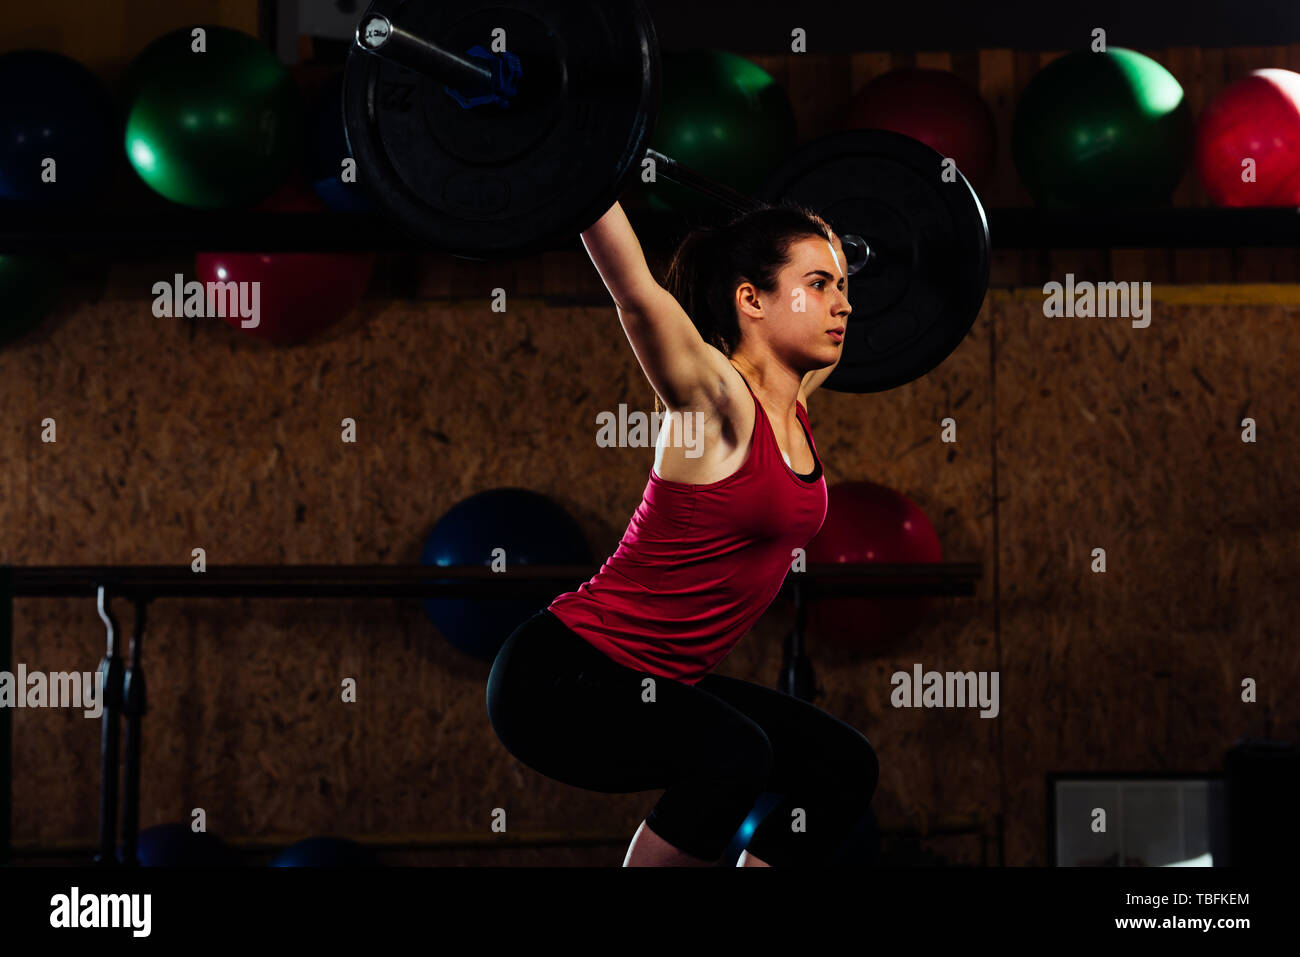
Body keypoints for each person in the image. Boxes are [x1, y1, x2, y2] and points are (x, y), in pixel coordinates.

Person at [486, 199, 879, 866]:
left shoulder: (793, 401)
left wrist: (844, 254)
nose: (843, 304)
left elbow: (886, 304)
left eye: (843, 285)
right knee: (735, 755)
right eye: (819, 285)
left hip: (656, 682)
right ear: (750, 300)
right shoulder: (714, 400)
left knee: (841, 766)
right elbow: (636, 295)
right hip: (561, 680)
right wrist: (583, 178)